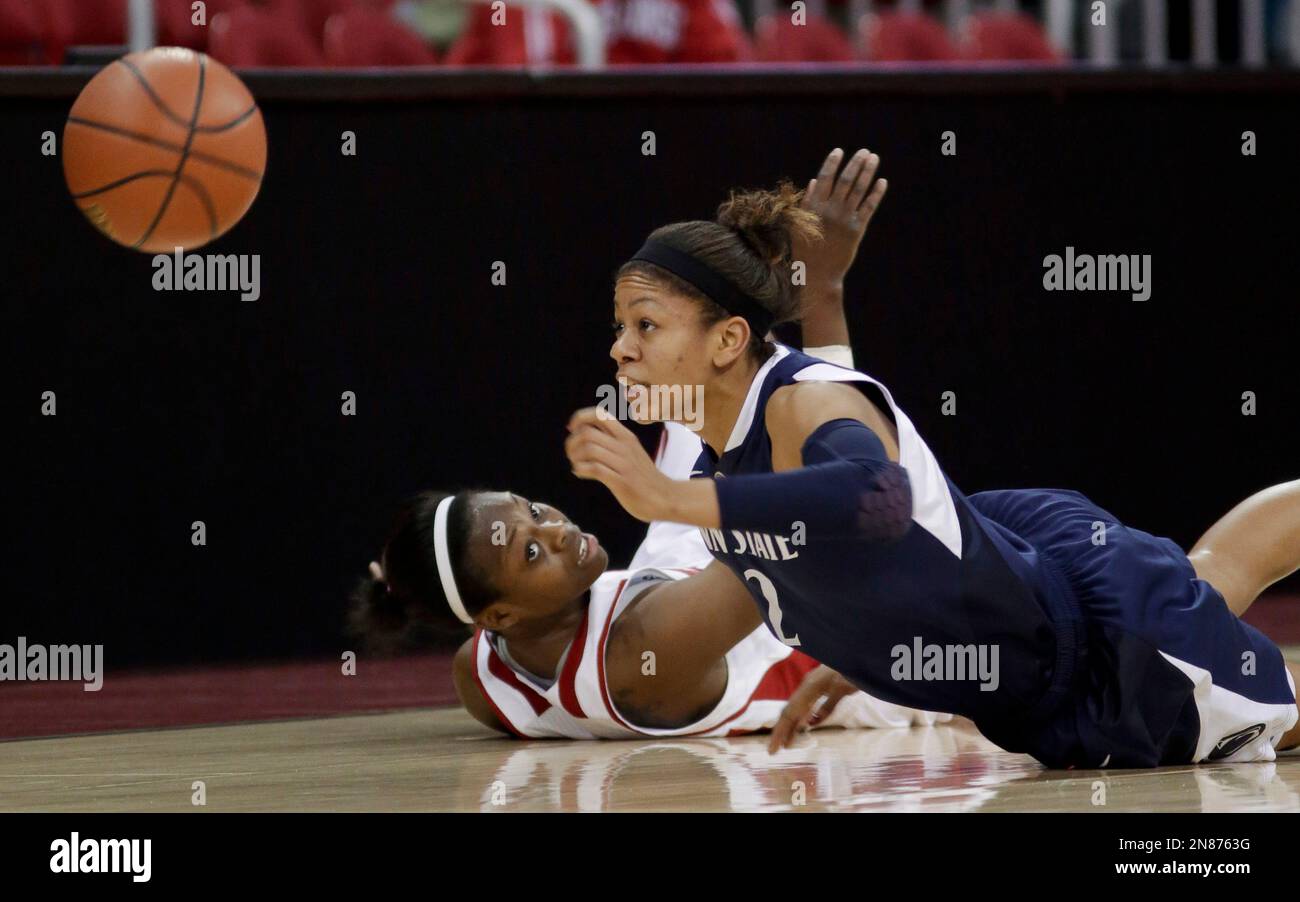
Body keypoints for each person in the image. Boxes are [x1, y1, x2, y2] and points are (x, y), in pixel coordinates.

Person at [564, 147, 1300, 768]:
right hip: (1020, 598)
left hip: (1095, 656)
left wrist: (665, 501)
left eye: (646, 324)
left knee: (1266, 693)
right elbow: (827, 523)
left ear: (727, 340)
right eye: (620, 325)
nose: (619, 348)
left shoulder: (783, 419)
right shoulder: (731, 453)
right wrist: (865, 662)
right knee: (1208, 576)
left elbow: (872, 492)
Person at [351, 149, 945, 739]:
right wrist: (823, 290)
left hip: (687, 555)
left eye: (531, 512)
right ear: (498, 615)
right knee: (757, 401)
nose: (555, 530)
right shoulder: (644, 660)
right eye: (531, 553)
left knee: (684, 376)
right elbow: (806, 533)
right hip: (839, 628)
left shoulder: (481, 675)